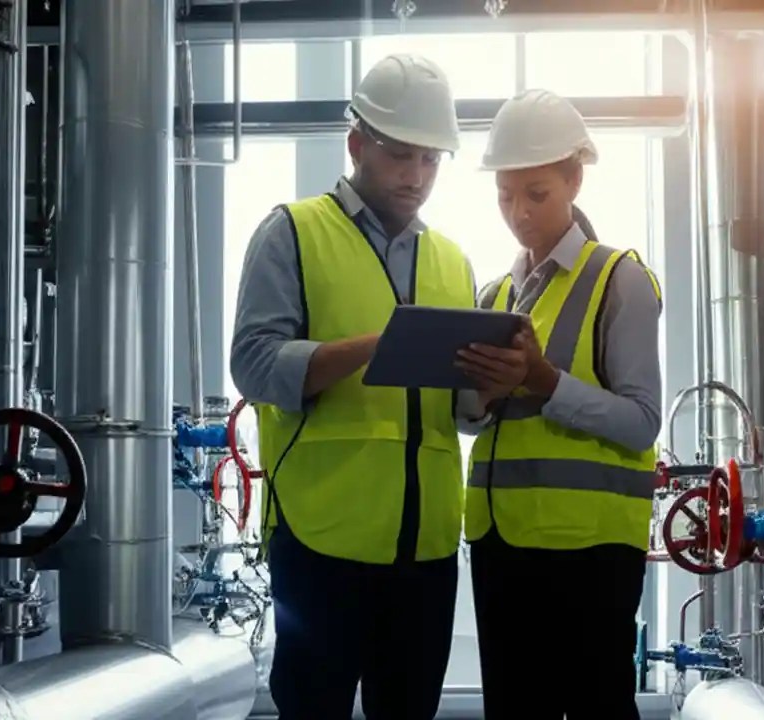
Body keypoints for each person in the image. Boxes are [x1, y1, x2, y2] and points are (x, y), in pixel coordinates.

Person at [230, 54, 481, 720]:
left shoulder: (453, 261)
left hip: (426, 547)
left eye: (430, 160)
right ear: (356, 144)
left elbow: (462, 413)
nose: (416, 176)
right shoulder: (291, 233)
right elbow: (252, 364)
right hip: (321, 541)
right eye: (400, 155)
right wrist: (376, 346)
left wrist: (492, 386)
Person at [454, 89, 664, 720]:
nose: (518, 213)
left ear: (575, 180)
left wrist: (546, 383)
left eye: (536, 193)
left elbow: (642, 422)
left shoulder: (620, 279)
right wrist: (481, 398)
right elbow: (469, 419)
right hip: (498, 541)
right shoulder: (494, 296)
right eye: (505, 196)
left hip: (589, 549)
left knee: (597, 707)